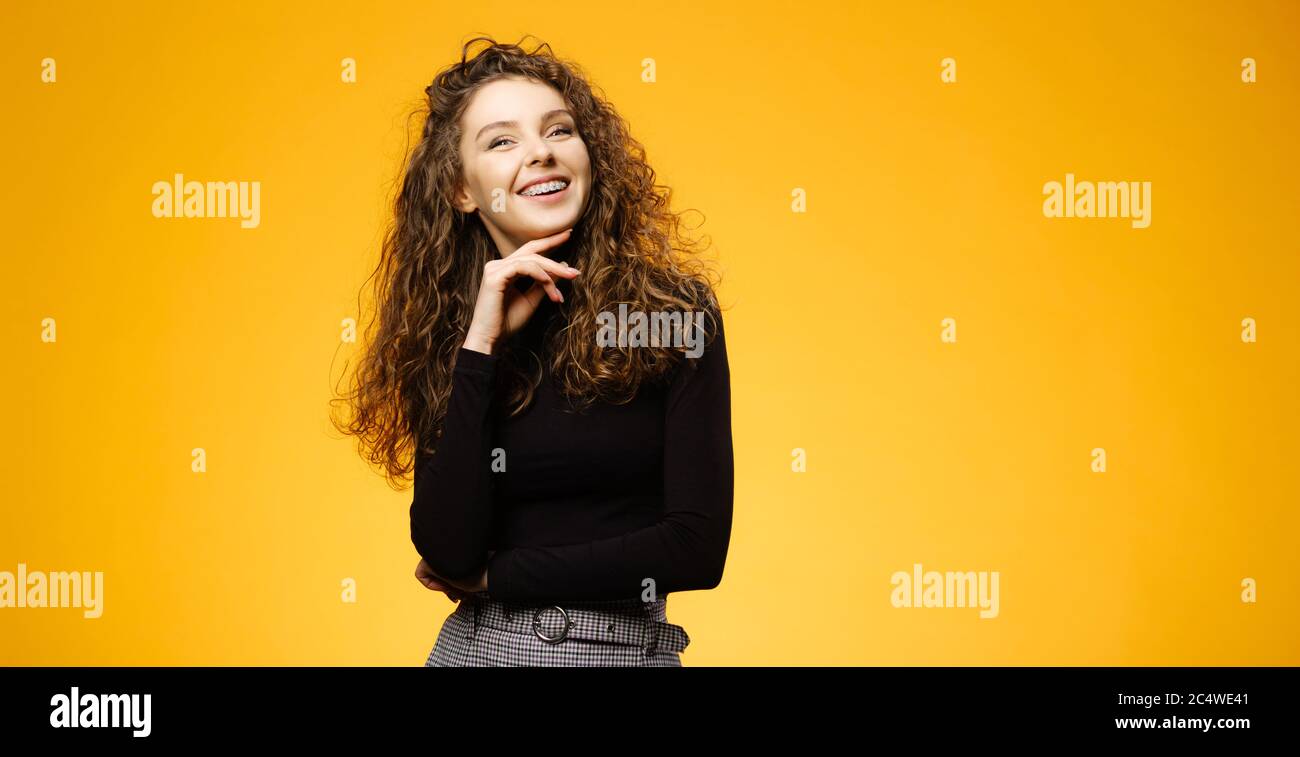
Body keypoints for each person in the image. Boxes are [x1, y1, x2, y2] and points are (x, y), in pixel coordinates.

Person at [334, 35, 733, 666]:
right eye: (502, 141)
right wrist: (481, 346)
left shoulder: (669, 316)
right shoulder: (456, 331)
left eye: (559, 130)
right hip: (471, 651)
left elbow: (695, 548)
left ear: (590, 155)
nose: (541, 152)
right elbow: (447, 550)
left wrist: (499, 580)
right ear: (462, 190)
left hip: (613, 651)